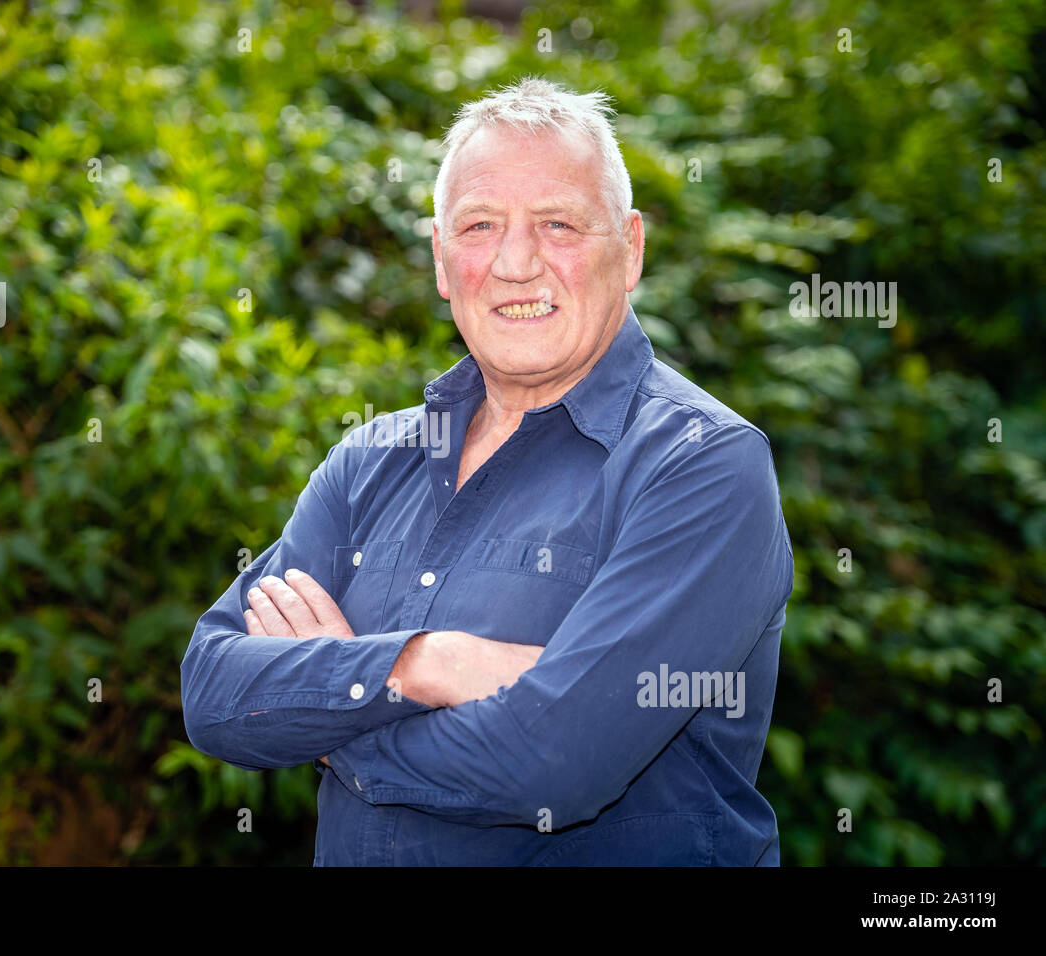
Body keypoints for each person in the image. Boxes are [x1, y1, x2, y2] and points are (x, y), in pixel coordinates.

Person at [181, 77, 794, 865]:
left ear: (632, 248)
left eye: (558, 224)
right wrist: (432, 662)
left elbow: (558, 763)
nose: (514, 262)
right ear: (441, 260)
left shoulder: (703, 467)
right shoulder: (368, 463)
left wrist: (334, 720)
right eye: (479, 225)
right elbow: (213, 689)